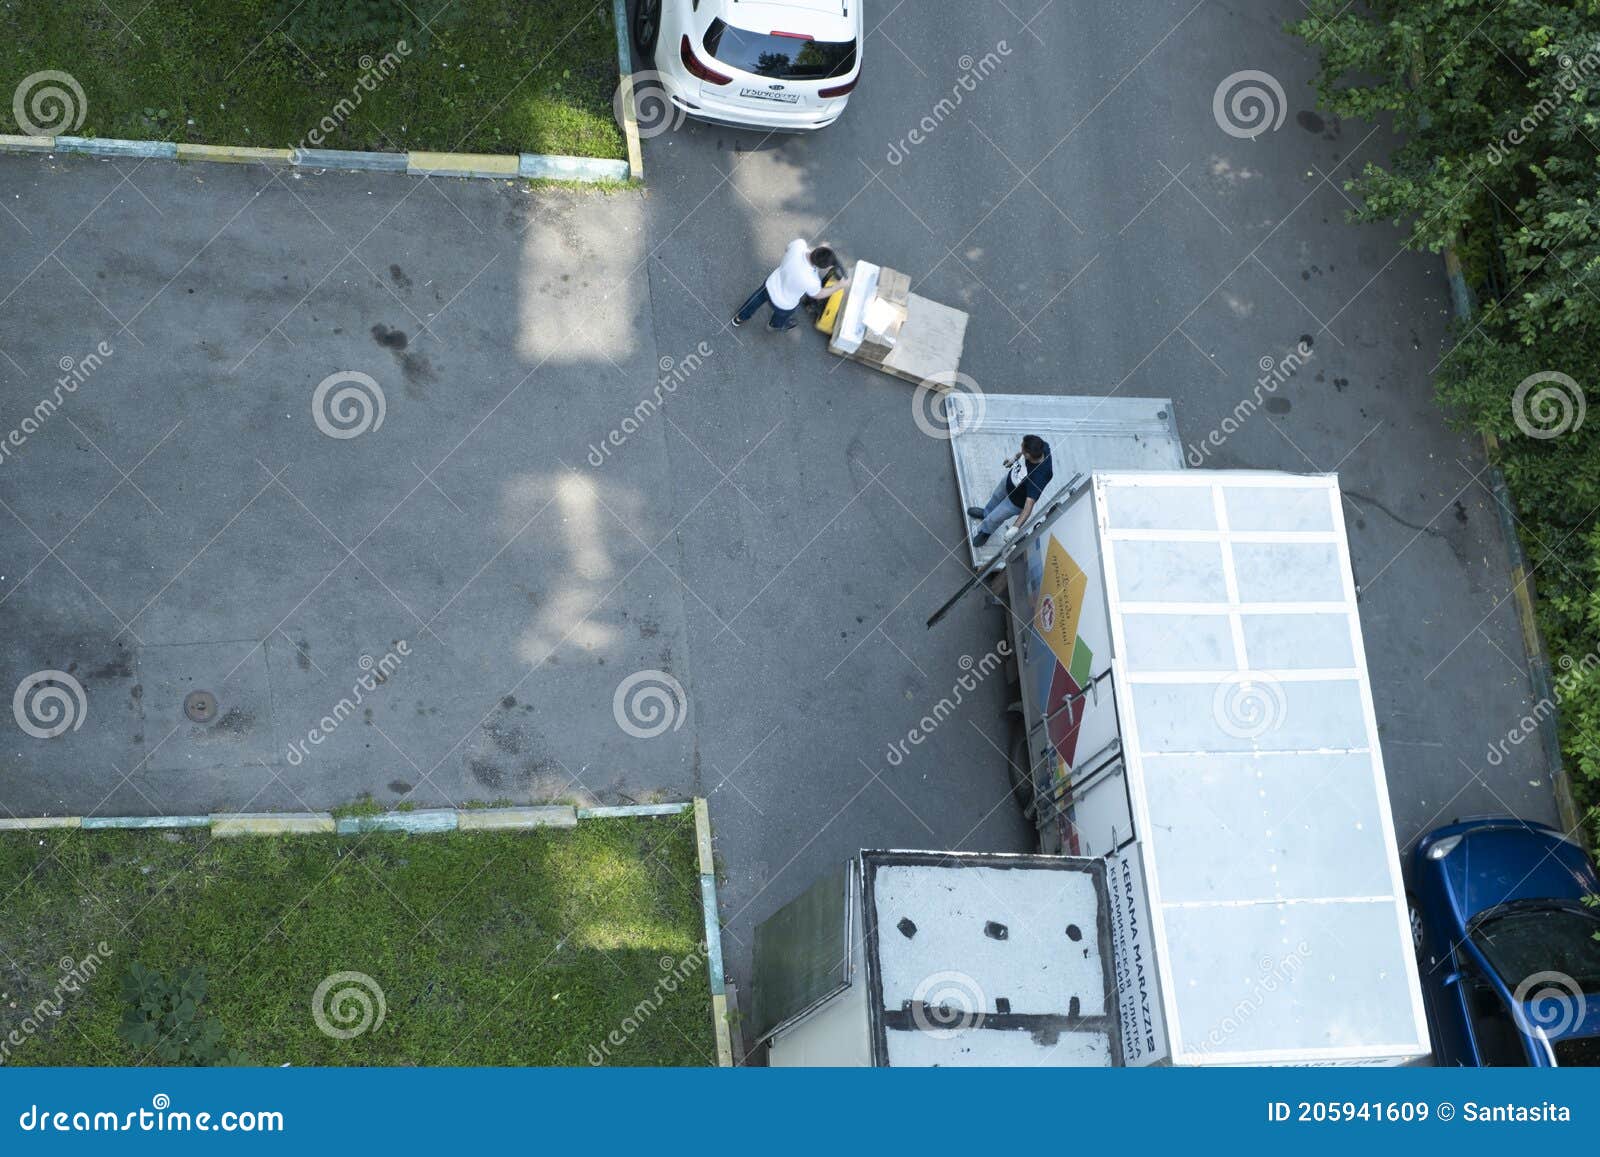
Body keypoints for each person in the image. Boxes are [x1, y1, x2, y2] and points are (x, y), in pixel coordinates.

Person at [732, 240, 849, 332]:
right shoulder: (813, 281)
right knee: (782, 316)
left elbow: (787, 248)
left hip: (770, 285)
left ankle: (740, 318)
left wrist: (821, 249)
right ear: (822, 267)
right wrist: (839, 285)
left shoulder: (799, 244)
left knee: (755, 300)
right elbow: (818, 294)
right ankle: (774, 326)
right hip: (784, 304)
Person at [970, 434, 1053, 547]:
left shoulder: (1039, 476)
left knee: (995, 518)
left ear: (1028, 455)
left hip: (1015, 501)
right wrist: (1014, 459)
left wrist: (1015, 527)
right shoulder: (1042, 447)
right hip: (1010, 481)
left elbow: (1028, 507)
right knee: (995, 497)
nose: (1021, 448)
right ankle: (986, 513)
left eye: (1022, 448)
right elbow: (1022, 453)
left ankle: (985, 531)